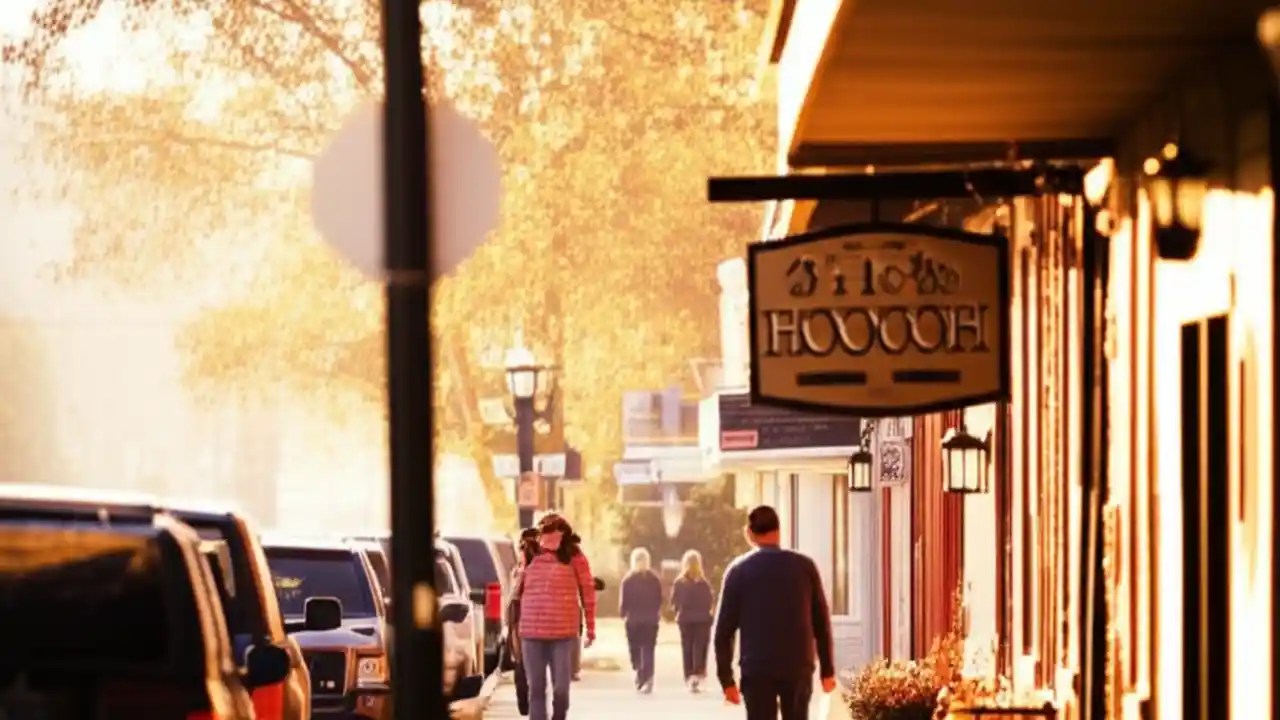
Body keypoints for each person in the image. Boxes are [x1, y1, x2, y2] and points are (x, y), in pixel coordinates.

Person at [713, 505, 836, 720]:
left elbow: (723, 632)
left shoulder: (739, 571)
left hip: (757, 667)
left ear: (749, 533)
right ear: (779, 531)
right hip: (798, 665)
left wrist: (727, 680)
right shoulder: (805, 567)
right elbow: (821, 622)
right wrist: (827, 671)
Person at [517, 513, 597, 720]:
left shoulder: (574, 555)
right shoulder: (529, 552)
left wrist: (591, 627)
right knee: (537, 689)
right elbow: (517, 589)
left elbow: (587, 590)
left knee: (559, 689)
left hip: (562, 634)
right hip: (532, 632)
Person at [618, 547, 663, 694]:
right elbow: (659, 599)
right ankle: (646, 676)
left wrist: (623, 613)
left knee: (636, 649)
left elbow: (624, 602)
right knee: (648, 649)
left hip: (634, 621)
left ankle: (640, 673)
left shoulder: (628, 580)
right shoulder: (654, 579)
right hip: (649, 620)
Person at [507, 527, 541, 717]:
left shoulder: (539, 567)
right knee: (521, 661)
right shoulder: (518, 570)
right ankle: (525, 700)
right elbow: (513, 598)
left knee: (527, 662)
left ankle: (530, 702)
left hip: (529, 617)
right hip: (519, 617)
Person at [670, 549, 714, 693]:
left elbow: (674, 602)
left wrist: (678, 612)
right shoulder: (704, 583)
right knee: (699, 648)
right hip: (702, 620)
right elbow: (709, 601)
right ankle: (698, 673)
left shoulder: (679, 583)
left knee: (687, 648)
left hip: (685, 620)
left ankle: (689, 675)